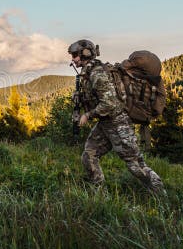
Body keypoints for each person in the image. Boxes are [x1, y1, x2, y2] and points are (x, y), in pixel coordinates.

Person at [69, 39, 165, 195]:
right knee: (89, 155)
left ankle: (161, 195)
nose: (72, 59)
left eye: (74, 55)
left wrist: (88, 114)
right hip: (105, 123)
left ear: (85, 54)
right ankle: (99, 195)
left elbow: (110, 103)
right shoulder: (88, 73)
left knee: (135, 165)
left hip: (118, 123)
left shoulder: (97, 73)